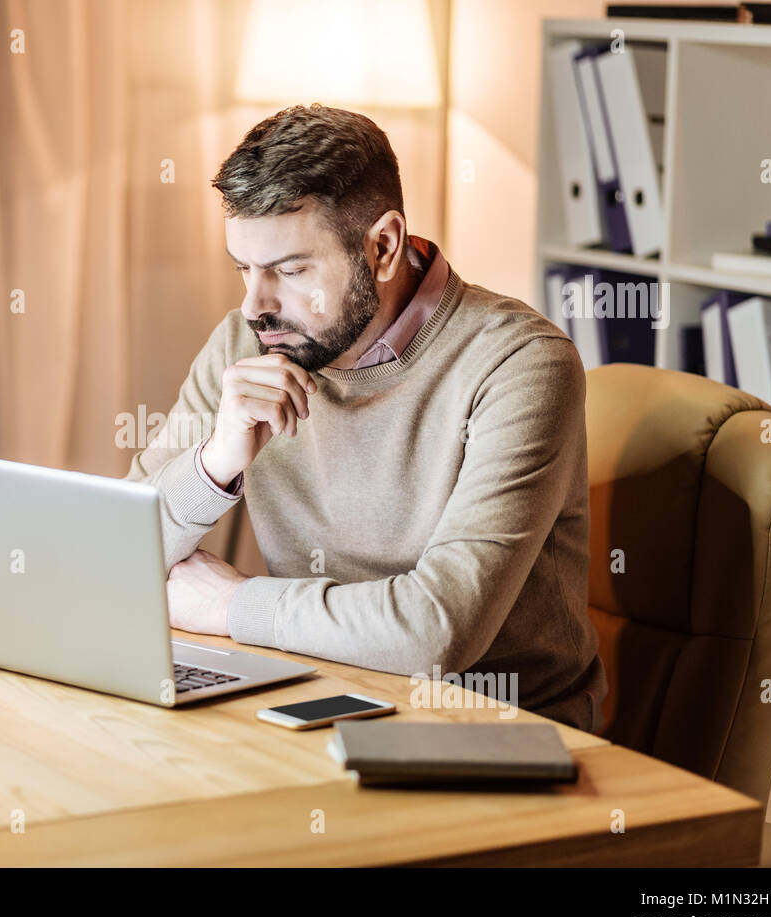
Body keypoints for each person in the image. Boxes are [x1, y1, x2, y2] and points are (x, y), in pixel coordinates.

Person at [124, 104, 606, 731]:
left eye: (290, 271)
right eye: (243, 268)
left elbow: (437, 631)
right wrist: (215, 466)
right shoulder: (250, 343)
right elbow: (122, 551)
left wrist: (233, 605)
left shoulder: (519, 365)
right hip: (322, 689)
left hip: (496, 731)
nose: (254, 305)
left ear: (383, 246)